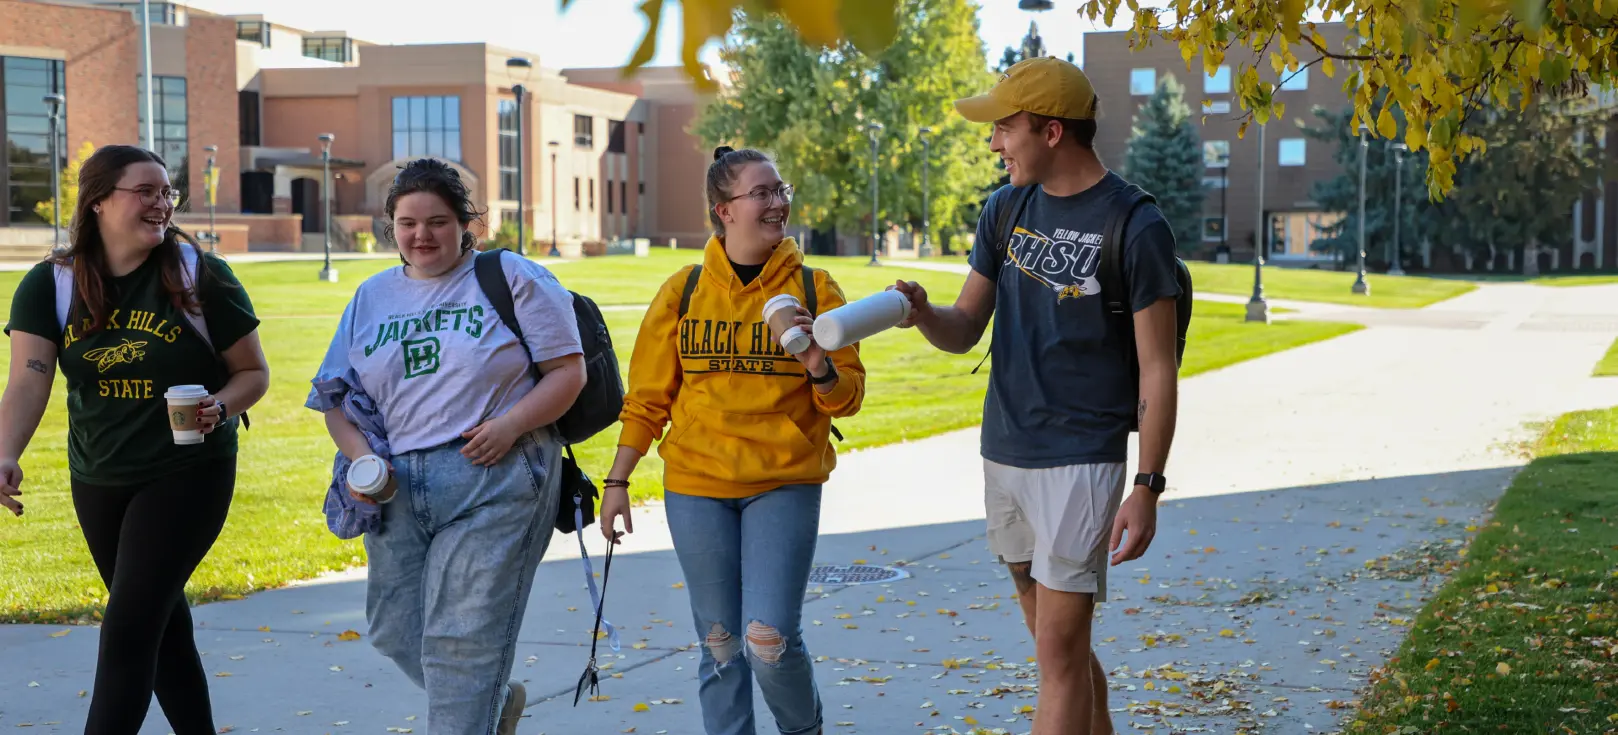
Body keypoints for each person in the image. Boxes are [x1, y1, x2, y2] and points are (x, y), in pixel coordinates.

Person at [891, 57, 1183, 735]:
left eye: (1005, 128)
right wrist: (924, 312)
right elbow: (965, 327)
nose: (994, 143)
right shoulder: (1005, 208)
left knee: (1055, 655)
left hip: (1082, 457)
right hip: (1006, 451)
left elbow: (1158, 368)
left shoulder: (1136, 226)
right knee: (1060, 647)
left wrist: (1147, 485)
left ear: (1052, 131)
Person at [307, 158, 585, 735]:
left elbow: (568, 372)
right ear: (391, 227)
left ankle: (472, 712)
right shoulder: (372, 296)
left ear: (465, 224)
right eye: (407, 223)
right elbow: (335, 397)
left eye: (437, 221)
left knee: (462, 643)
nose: (421, 235)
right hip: (396, 486)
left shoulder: (510, 276)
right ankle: (493, 701)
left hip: (499, 474)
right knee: (393, 629)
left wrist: (509, 425)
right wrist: (363, 458)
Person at [597, 146, 866, 735]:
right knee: (719, 645)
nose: (778, 203)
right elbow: (647, 400)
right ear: (724, 210)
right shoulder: (684, 290)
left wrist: (816, 360)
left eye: (780, 190)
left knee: (768, 640)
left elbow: (846, 398)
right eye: (762, 193)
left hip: (784, 483)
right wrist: (617, 481)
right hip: (696, 486)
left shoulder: (817, 289)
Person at [0, 144, 269, 733]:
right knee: (161, 627)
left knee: (127, 628)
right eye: (145, 191)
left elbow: (253, 374)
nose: (161, 204)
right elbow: (28, 379)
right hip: (98, 475)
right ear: (97, 202)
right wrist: (4, 452)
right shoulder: (51, 285)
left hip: (188, 472)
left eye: (166, 192)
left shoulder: (199, 274)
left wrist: (218, 407)